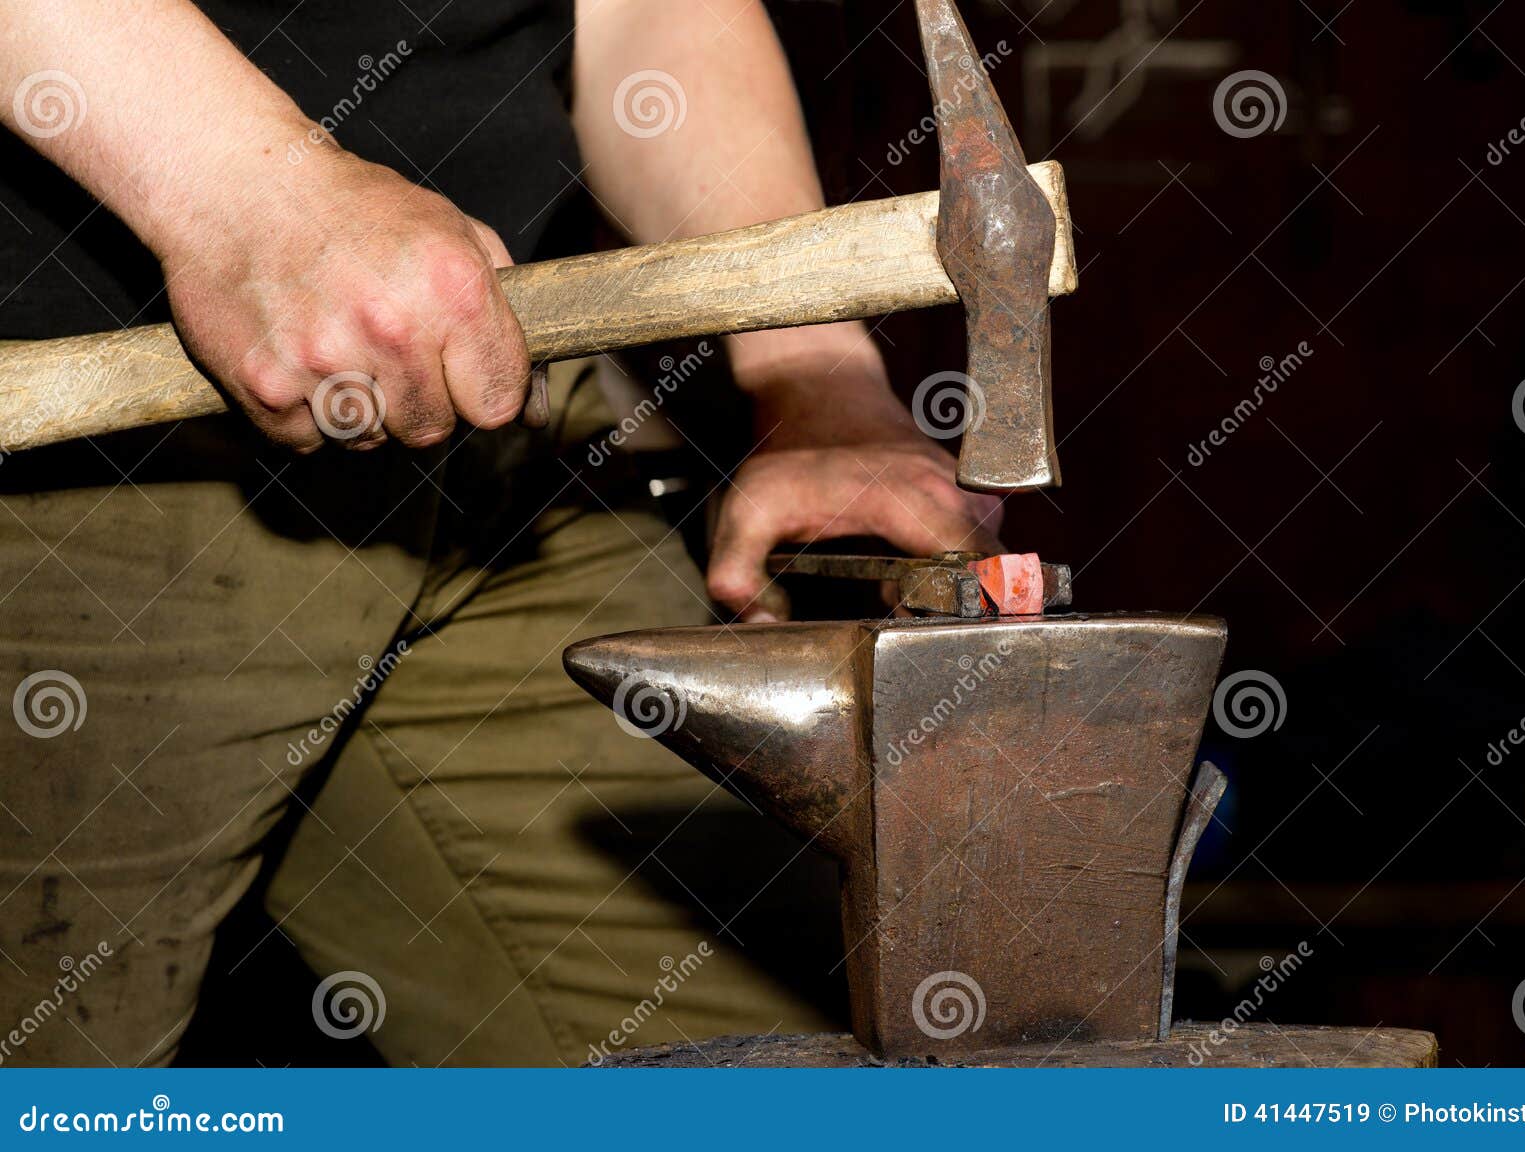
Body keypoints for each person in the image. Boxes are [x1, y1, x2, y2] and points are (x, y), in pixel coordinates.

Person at [0, 0, 1002, 1065]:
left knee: (779, 1076)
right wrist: (245, 188)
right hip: (97, 460)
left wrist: (810, 369)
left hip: (526, 446)